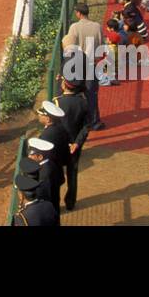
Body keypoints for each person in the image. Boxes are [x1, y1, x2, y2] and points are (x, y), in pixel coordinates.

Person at [66, 4, 105, 130]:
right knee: (91, 94)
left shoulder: (74, 27)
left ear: (78, 13)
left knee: (74, 93)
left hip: (77, 65)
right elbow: (101, 45)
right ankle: (94, 121)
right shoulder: (97, 26)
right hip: (92, 65)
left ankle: (78, 121)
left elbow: (70, 47)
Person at [56, 77, 90, 210]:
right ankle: (70, 203)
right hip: (74, 146)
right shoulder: (83, 102)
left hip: (59, 145)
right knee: (72, 174)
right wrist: (77, 143)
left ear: (64, 85)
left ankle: (55, 201)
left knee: (56, 175)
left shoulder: (57, 102)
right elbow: (86, 127)